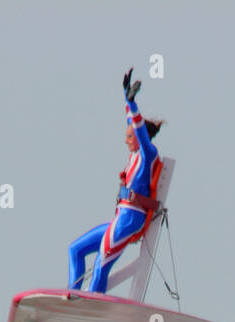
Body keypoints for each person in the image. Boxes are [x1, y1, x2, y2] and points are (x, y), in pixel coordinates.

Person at [68, 69, 164, 293]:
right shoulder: (134, 157)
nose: (125, 140)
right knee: (76, 250)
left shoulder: (148, 154)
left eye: (129, 137)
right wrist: (126, 98)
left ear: (140, 139)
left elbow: (138, 128)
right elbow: (131, 121)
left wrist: (133, 103)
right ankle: (72, 295)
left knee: (102, 264)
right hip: (122, 216)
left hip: (131, 218)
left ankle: (91, 304)